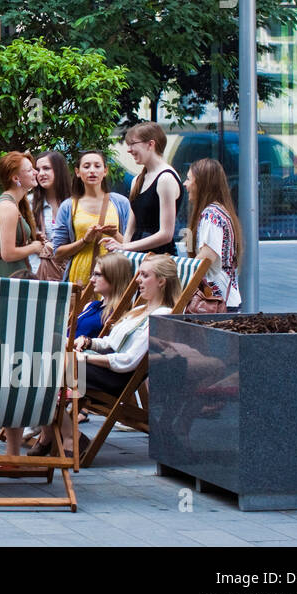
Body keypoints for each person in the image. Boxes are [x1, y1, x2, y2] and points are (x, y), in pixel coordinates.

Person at [31, 254, 179, 457]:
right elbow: (111, 342)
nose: (138, 280)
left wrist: (86, 358)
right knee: (36, 365)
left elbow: (128, 361)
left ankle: (69, 436)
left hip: (115, 376)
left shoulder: (162, 316)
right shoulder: (140, 310)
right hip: (104, 367)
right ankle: (54, 434)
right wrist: (89, 342)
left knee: (42, 368)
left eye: (144, 275)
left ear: (161, 281)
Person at [50, 150, 132, 287]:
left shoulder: (121, 203)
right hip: (80, 278)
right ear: (77, 172)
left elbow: (133, 247)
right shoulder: (68, 206)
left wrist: (115, 234)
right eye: (86, 166)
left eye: (97, 166)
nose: (92, 171)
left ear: (105, 171)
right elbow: (57, 253)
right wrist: (84, 241)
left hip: (114, 276)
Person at [108, 122, 183, 256]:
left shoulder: (166, 178)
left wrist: (125, 247)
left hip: (158, 261)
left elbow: (166, 234)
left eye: (133, 144)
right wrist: (123, 251)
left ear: (150, 144)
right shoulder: (137, 180)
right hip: (136, 257)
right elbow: (130, 229)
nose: (129, 150)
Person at [185, 157, 242, 311]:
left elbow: (207, 256)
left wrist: (181, 275)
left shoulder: (211, 215)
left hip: (216, 302)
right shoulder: (219, 211)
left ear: (202, 183)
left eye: (189, 179)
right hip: (222, 299)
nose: (185, 184)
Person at [0, 151, 47, 280]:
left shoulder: (11, 203)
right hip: (9, 278)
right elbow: (8, 254)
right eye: (29, 170)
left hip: (12, 276)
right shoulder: (8, 207)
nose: (35, 172)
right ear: (16, 178)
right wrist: (34, 247)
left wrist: (29, 238)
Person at [73, 252, 135, 340]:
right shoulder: (92, 305)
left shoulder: (117, 316)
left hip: (77, 353)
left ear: (114, 278)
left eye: (97, 275)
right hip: (65, 351)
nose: (92, 280)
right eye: (93, 274)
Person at [29, 151, 70, 274]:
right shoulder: (28, 203)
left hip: (68, 272)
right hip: (37, 272)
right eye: (38, 169)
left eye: (46, 168)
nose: (41, 174)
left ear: (59, 170)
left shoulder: (74, 203)